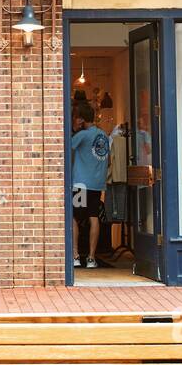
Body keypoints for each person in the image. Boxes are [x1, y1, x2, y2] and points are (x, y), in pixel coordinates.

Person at [70, 102, 110, 269]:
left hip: (80, 183)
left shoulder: (83, 135)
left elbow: (66, 147)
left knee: (74, 218)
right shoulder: (103, 135)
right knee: (94, 218)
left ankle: (75, 255)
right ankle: (92, 258)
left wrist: (75, 128)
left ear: (80, 119)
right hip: (97, 183)